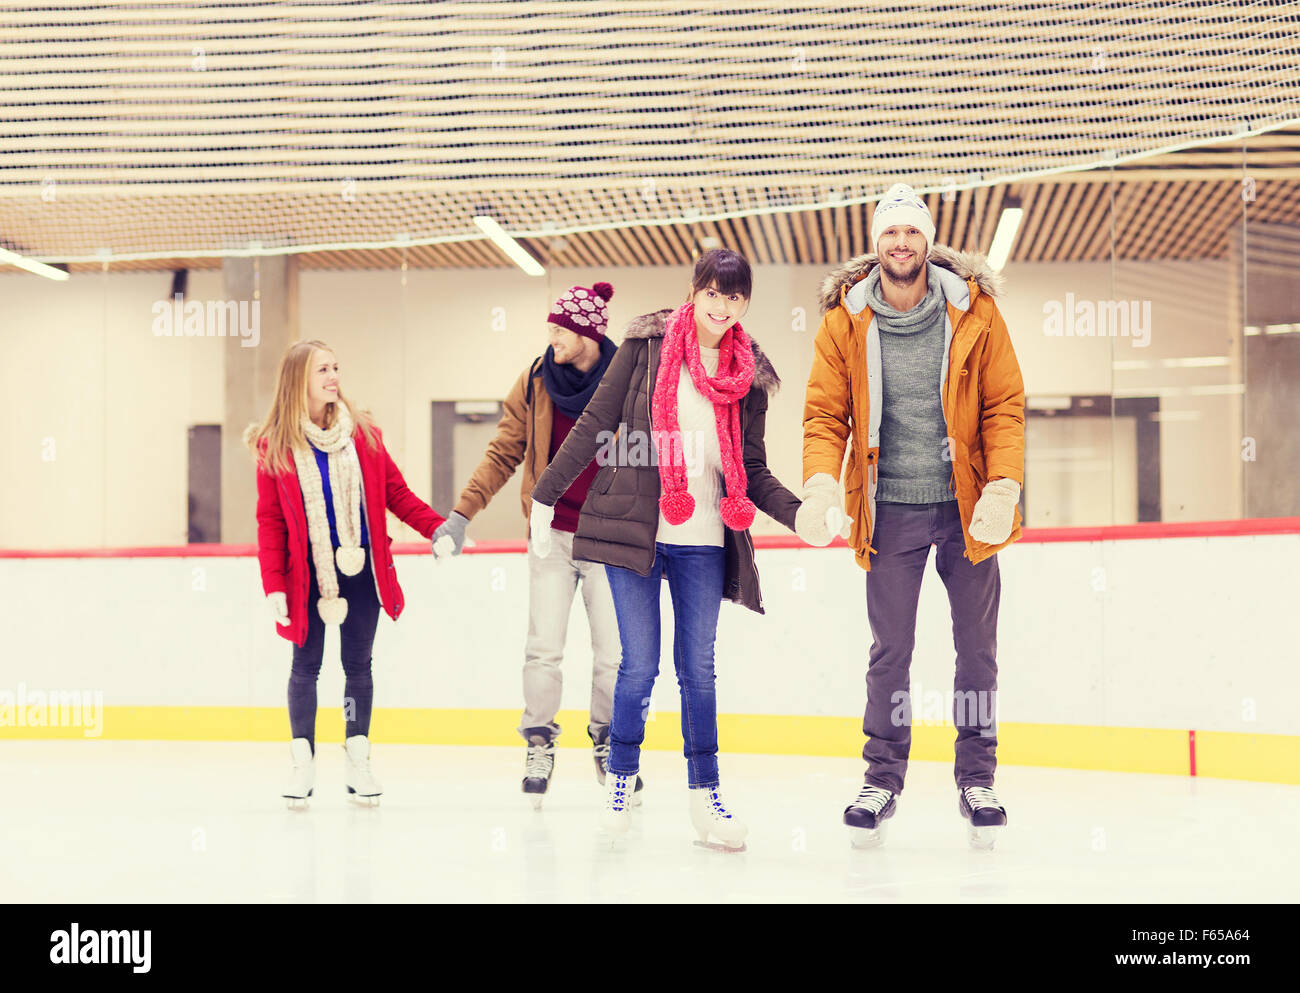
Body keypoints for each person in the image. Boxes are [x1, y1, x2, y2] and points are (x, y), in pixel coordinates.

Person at [530, 249, 828, 849]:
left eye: (734, 297)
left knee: (698, 671)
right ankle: (621, 778)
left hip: (703, 540)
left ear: (746, 303)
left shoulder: (750, 379)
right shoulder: (646, 349)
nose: (721, 307)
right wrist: (545, 497)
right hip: (635, 533)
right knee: (637, 667)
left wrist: (800, 517)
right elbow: (596, 424)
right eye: (712, 293)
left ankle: (706, 798)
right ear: (694, 291)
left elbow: (752, 469)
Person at [802, 183, 1026, 849]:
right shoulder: (845, 319)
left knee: (976, 649)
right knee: (890, 651)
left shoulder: (973, 310)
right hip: (889, 507)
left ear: (928, 242)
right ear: (876, 244)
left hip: (966, 507)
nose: (901, 243)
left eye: (912, 232)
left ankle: (977, 777)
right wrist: (819, 485)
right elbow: (823, 413)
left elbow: (1003, 406)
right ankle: (881, 778)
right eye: (890, 232)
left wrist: (1003, 486)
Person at [431, 283, 632, 808]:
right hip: (551, 537)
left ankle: (609, 742)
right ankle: (539, 743)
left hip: (609, 538)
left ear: (589, 333)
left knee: (613, 655)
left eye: (561, 329)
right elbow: (503, 452)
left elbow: (649, 453)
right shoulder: (535, 381)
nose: (552, 338)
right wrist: (461, 513)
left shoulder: (627, 379)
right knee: (543, 650)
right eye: (550, 328)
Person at [248, 339, 453, 808]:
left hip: (362, 573)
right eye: (323, 369)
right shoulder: (275, 446)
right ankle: (303, 764)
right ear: (299, 379)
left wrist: (436, 529)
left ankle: (358, 757)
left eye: (336, 367)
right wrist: (273, 584)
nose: (334, 376)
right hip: (308, 580)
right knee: (306, 667)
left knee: (358, 666)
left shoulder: (363, 434)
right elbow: (270, 521)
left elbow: (396, 494)